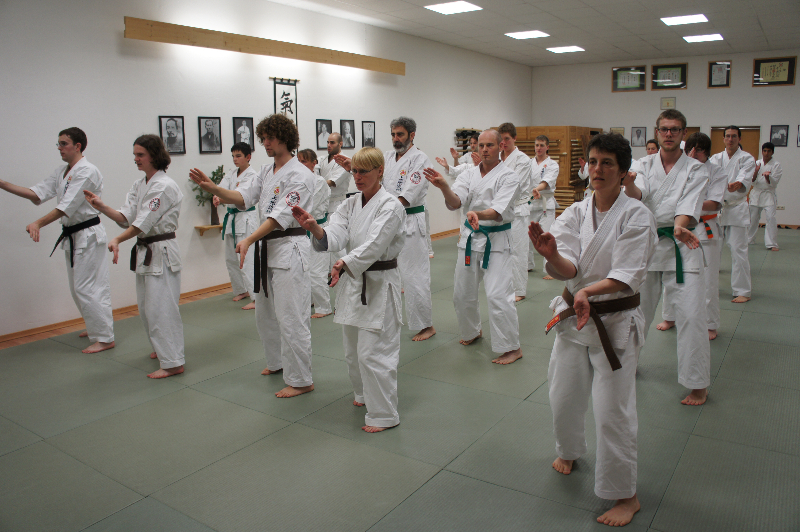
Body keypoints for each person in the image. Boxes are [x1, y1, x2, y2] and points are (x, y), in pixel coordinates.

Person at [531, 132, 656, 528]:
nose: (597, 170)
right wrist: (552, 256)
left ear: (623, 173)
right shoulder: (576, 213)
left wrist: (585, 289)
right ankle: (569, 449)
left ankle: (626, 495)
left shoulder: (637, 215)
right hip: (574, 318)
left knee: (611, 412)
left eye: (607, 164)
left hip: (614, 325)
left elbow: (626, 274)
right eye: (593, 162)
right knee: (562, 394)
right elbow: (567, 268)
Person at [190, 114, 315, 398]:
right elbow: (243, 197)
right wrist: (214, 189)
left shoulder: (301, 175)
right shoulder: (266, 171)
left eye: (269, 138)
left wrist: (248, 238)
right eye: (263, 139)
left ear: (285, 138)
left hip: (289, 247)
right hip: (266, 249)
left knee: (292, 316)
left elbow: (280, 216)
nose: (265, 144)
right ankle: (277, 362)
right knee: (265, 314)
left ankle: (302, 379)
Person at [294, 147, 406, 433]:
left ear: (380, 171)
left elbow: (375, 244)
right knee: (352, 351)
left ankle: (384, 414)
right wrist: (315, 229)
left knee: (373, 352)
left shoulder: (391, 206)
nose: (357, 177)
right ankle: (363, 394)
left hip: (379, 283)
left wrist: (345, 261)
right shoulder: (350, 204)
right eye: (354, 171)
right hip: (353, 281)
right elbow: (336, 233)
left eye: (363, 171)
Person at [1, 127, 115, 354]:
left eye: (63, 143)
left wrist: (38, 224)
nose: (59, 148)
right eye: (59, 144)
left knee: (87, 287)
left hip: (88, 234)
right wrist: (2, 184)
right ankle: (96, 326)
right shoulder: (63, 171)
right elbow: (37, 194)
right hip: (73, 234)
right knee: (78, 288)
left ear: (78, 146)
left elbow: (66, 207)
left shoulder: (87, 171)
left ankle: (105, 337)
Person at [623, 109, 710, 406]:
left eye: (675, 129)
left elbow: (689, 204)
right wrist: (629, 183)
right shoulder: (643, 164)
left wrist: (679, 226)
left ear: (684, 134)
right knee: (635, 312)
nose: (669, 133)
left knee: (691, 316)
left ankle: (698, 383)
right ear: (657, 132)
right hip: (646, 246)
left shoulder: (696, 169)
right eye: (664, 129)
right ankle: (627, 366)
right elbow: (639, 194)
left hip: (683, 246)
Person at [84, 134, 183, 378]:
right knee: (146, 308)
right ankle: (162, 349)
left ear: (154, 155)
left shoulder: (164, 186)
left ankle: (173, 362)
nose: (136, 159)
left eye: (140, 155)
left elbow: (143, 223)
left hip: (161, 250)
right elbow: (127, 218)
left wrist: (118, 240)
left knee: (162, 308)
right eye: (135, 155)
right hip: (145, 251)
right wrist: (102, 207)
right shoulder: (140, 185)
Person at [423, 129, 523, 364]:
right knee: (462, 294)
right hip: (469, 239)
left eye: (490, 145)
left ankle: (511, 347)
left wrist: (475, 213)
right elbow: (456, 200)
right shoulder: (468, 174)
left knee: (498, 295)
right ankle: (471, 331)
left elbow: (497, 211)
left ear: (501, 147)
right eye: (481, 146)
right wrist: (443, 187)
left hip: (496, 241)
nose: (485, 149)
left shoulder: (509, 176)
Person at [341, 117, 435, 342]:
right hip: (385, 218)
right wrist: (353, 170)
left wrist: (383, 213)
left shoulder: (420, 160)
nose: (395, 139)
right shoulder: (387, 157)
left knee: (415, 275)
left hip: (408, 220)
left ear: (412, 135)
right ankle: (386, 316)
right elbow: (376, 183)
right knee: (386, 271)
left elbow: (406, 196)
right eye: (393, 134)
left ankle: (426, 325)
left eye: (400, 134)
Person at [659, 133, 727, 341]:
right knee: (670, 273)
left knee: (708, 280)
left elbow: (714, 203)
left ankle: (710, 324)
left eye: (699, 150)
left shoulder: (717, 171)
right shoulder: (680, 168)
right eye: (690, 149)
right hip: (677, 229)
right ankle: (669, 316)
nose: (693, 154)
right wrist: (682, 205)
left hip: (704, 228)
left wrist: (688, 204)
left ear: (707, 151)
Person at [710, 126, 756, 303]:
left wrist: (738, 183)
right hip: (717, 209)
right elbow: (710, 174)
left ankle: (742, 290)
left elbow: (745, 176)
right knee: (713, 249)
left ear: (739, 138)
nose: (730, 139)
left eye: (734, 136)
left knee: (738, 250)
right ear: (723, 139)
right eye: (727, 136)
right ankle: (710, 286)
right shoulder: (716, 158)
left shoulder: (746, 158)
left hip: (736, 208)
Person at [215, 142, 259, 310]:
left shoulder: (252, 175)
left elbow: (239, 196)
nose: (235, 159)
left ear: (248, 157)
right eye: (233, 156)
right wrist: (217, 195)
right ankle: (241, 290)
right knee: (230, 258)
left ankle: (256, 297)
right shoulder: (231, 174)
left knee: (247, 258)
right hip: (232, 218)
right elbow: (221, 189)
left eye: (238, 156)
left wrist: (222, 198)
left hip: (246, 218)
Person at [498, 123, 533, 302]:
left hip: (517, 209)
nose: (503, 143)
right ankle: (506, 286)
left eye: (507, 139)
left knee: (518, 250)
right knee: (503, 250)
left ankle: (519, 290)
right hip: (501, 210)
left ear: (514, 139)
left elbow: (515, 185)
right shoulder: (497, 157)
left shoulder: (523, 160)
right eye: (501, 139)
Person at [297, 148, 333, 318]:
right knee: (304, 269)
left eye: (304, 161)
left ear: (314, 163)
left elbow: (307, 206)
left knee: (317, 270)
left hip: (318, 229)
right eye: (299, 161)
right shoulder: (298, 182)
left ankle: (324, 307)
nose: (301, 164)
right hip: (303, 231)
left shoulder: (319, 182)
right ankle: (312, 299)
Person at [529, 135, 559, 278]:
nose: (539, 148)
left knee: (546, 235)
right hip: (531, 203)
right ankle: (527, 264)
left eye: (541, 145)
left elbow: (547, 181)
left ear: (547, 147)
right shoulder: (528, 163)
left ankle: (550, 270)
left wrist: (538, 189)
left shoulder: (553, 164)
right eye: (537, 145)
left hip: (546, 202)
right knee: (527, 235)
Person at [748, 142, 783, 251]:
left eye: (769, 151)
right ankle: (749, 239)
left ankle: (771, 243)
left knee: (771, 218)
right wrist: (756, 171)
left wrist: (768, 177)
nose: (766, 153)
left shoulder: (776, 165)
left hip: (768, 194)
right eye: (764, 151)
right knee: (752, 218)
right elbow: (751, 181)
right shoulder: (757, 163)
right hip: (756, 193)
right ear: (762, 151)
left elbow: (774, 182)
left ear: (772, 152)